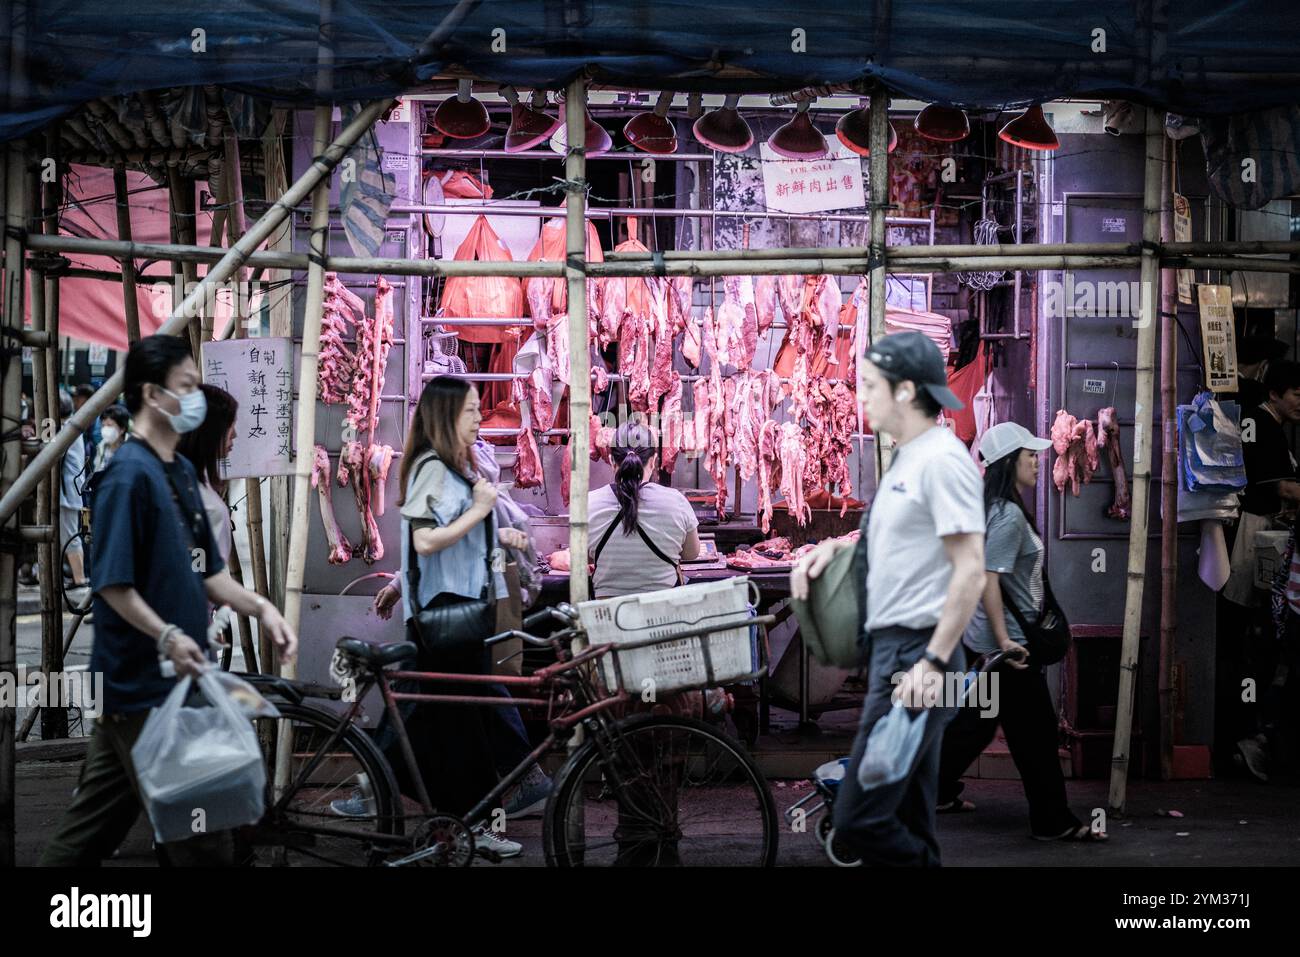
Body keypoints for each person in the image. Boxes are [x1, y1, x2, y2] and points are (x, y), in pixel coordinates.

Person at [40, 335, 298, 867]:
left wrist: (260, 608)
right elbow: (112, 584)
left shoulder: (179, 473)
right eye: (187, 386)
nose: (196, 397)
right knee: (202, 841)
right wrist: (167, 634)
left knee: (90, 832)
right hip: (143, 685)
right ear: (154, 395)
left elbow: (208, 574)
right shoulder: (126, 477)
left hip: (162, 688)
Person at [792, 330, 986, 867]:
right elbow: (903, 546)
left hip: (916, 658)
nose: (862, 398)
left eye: (872, 386)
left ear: (905, 391)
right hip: (896, 654)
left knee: (859, 819)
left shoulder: (943, 460)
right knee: (909, 816)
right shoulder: (909, 457)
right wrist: (833, 549)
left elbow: (970, 570)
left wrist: (933, 659)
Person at [356, 376, 539, 860]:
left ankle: (399, 794)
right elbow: (425, 541)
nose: (481, 419)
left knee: (457, 723)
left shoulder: (454, 468)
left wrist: (501, 538)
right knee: (460, 726)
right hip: (444, 612)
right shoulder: (430, 470)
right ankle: (454, 814)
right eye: (471, 412)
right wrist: (479, 511)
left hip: (461, 607)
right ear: (445, 417)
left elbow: (455, 536)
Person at [934, 422, 1106, 842]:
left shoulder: (988, 507)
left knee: (973, 724)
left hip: (986, 640)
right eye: (1029, 454)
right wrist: (1006, 640)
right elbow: (989, 579)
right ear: (1009, 462)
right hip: (1006, 646)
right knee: (1036, 738)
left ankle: (932, 789)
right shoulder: (1007, 516)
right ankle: (1053, 821)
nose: (1036, 459)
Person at [1221, 359, 1300, 780]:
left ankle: (1249, 734)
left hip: (1266, 538)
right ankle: (1239, 735)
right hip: (1253, 539)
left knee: (1263, 631)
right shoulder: (1259, 425)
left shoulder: (1272, 427)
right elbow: (1282, 487)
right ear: (1274, 393)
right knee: (1251, 633)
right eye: (1296, 393)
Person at [588, 419, 701, 599]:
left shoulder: (589, 504)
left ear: (611, 460)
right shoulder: (676, 502)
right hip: (663, 619)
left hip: (609, 618)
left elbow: (584, 558)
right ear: (654, 460)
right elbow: (691, 553)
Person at [177, 384, 238, 566]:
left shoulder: (194, 482)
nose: (234, 435)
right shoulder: (194, 498)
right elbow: (198, 569)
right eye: (230, 427)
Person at [58, 394, 90, 598]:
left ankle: (79, 579)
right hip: (70, 490)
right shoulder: (71, 426)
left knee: (70, 535)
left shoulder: (66, 429)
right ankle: (75, 577)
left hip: (69, 491)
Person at [93, 405, 131, 474]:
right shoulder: (101, 447)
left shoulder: (132, 448)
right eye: (103, 426)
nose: (104, 429)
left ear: (122, 429)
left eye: (109, 425)